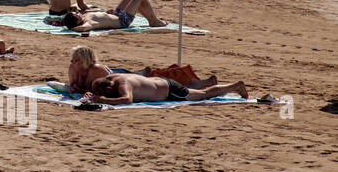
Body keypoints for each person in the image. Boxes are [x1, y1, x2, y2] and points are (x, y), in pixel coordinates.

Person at [85, 74, 249, 105]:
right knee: (191, 90)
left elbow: (126, 100)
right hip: (162, 84)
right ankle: (207, 81)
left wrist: (103, 100)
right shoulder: (111, 77)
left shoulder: (122, 85)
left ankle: (235, 86)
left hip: (169, 90)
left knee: (204, 95)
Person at [62, 0, 167, 33]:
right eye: (76, 14)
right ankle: (154, 21)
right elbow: (83, 29)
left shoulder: (84, 17)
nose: (78, 13)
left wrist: (107, 13)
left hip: (116, 14)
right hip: (122, 20)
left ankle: (151, 18)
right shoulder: (87, 23)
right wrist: (72, 28)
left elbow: (99, 16)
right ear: (77, 20)